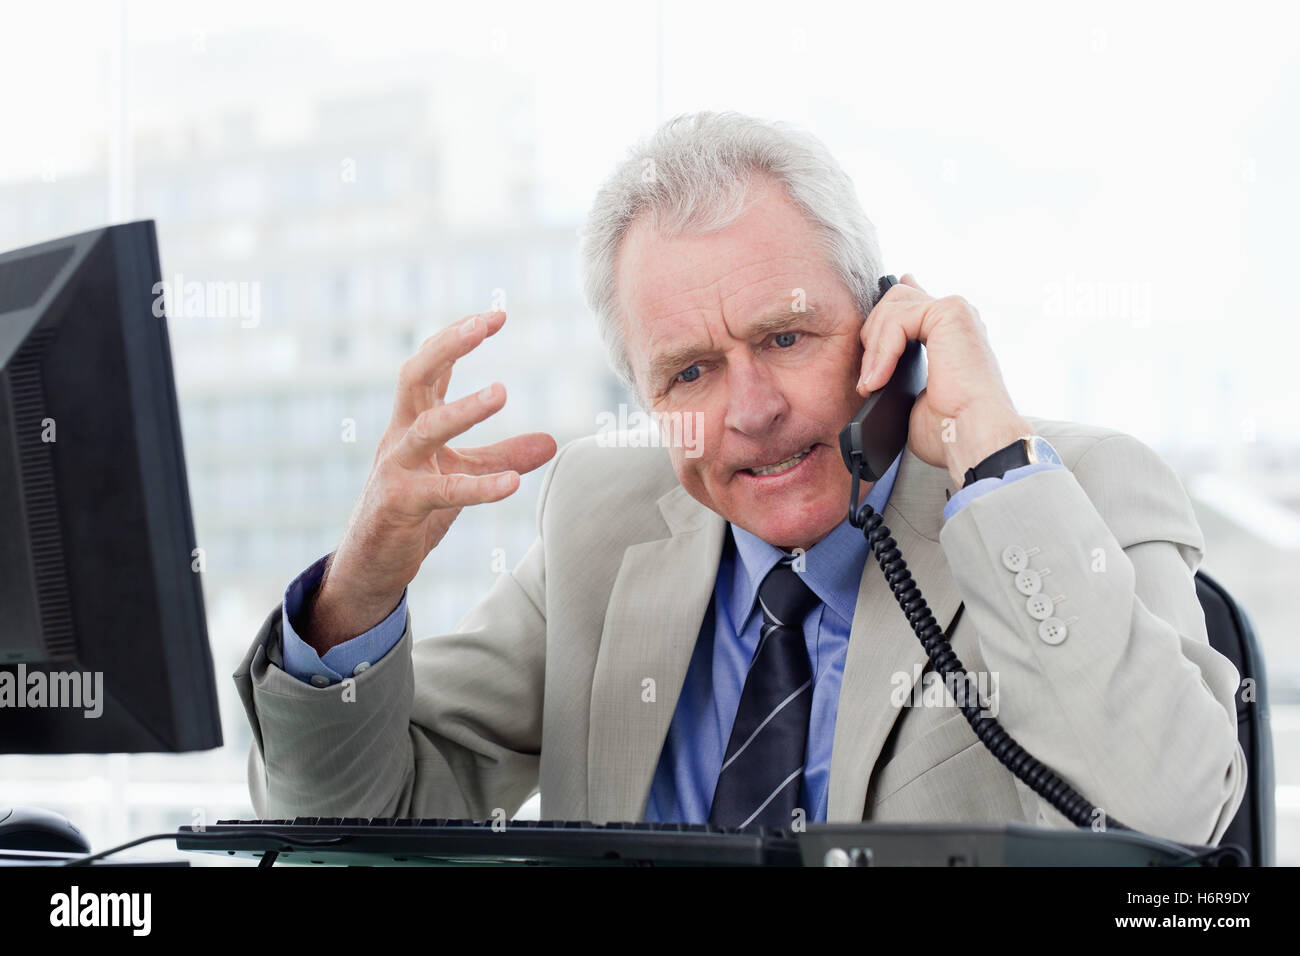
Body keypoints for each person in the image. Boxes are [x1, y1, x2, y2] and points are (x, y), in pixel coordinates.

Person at [234, 110, 1245, 843]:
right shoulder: (608, 512)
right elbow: (357, 824)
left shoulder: (1072, 491)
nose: (750, 408)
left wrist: (989, 457)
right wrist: (359, 586)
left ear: (885, 321)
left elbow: (1175, 826)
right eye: (690, 370)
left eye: (786, 336)